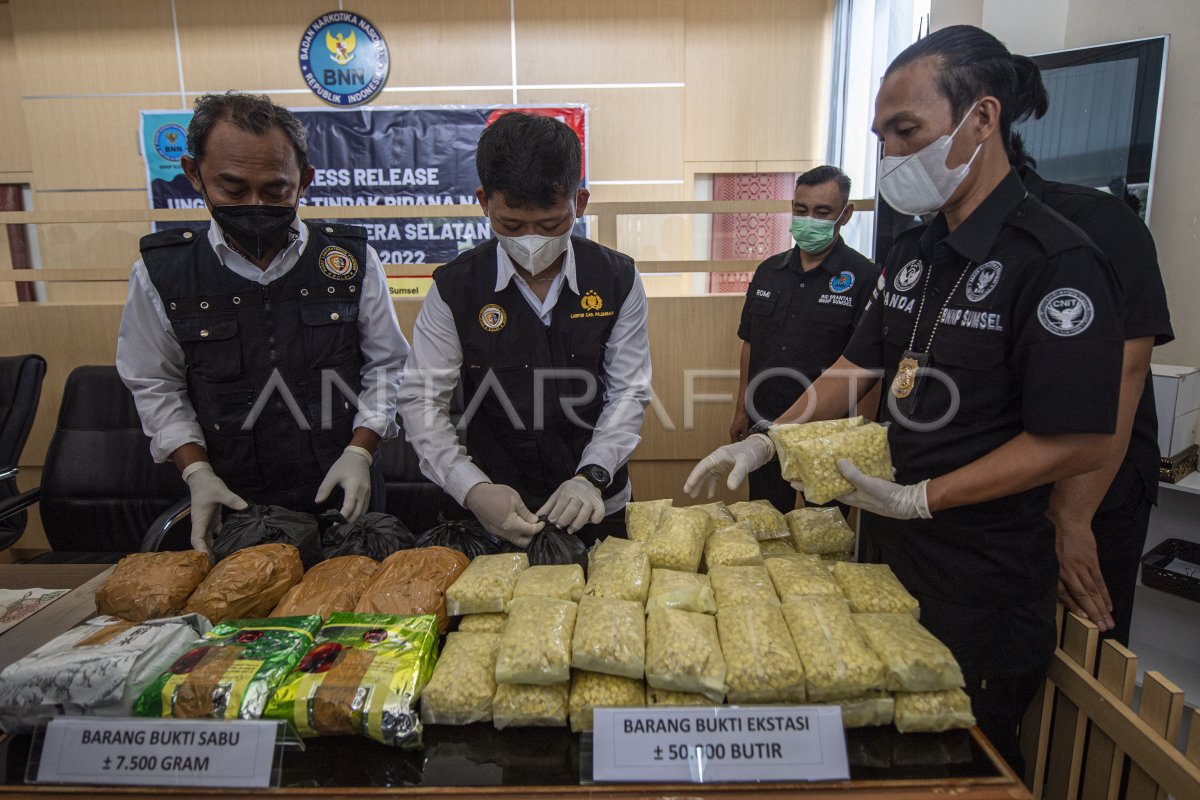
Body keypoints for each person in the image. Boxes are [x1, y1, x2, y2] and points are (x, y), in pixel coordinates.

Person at [684, 25, 1125, 772]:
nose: (889, 153)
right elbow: (853, 369)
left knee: (957, 768)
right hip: (891, 563)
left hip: (984, 579)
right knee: (881, 763)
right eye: (881, 135)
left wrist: (926, 496)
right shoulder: (915, 255)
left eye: (906, 130)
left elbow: (1076, 438)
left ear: (981, 120)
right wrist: (768, 437)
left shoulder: (1054, 261)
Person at [117, 92, 409, 555]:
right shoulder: (163, 273)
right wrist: (196, 472)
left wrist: (361, 450)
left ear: (305, 180)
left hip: (343, 493)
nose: (255, 203)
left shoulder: (350, 261)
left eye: (276, 190)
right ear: (194, 173)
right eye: (233, 189)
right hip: (231, 500)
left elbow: (389, 367)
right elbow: (155, 383)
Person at [397, 111, 651, 548]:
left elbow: (628, 390)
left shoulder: (616, 278)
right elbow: (421, 401)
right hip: (499, 507)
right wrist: (471, 488)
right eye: (511, 225)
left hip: (596, 501)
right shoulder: (456, 288)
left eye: (550, 224)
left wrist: (592, 475)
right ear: (484, 202)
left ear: (580, 203)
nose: (531, 239)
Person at [1009, 136, 1173, 645]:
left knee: (1084, 651)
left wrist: (1072, 515)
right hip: (1013, 485)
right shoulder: (951, 237)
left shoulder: (1097, 224)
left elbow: (1127, 369)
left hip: (1092, 491)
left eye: (909, 134)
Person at [731, 166, 879, 513]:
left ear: (845, 215)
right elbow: (749, 343)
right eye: (801, 210)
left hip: (828, 435)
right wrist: (740, 408)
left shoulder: (864, 277)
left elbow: (869, 365)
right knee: (765, 522)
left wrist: (862, 436)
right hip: (765, 422)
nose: (809, 219)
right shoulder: (769, 271)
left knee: (824, 535)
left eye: (822, 212)